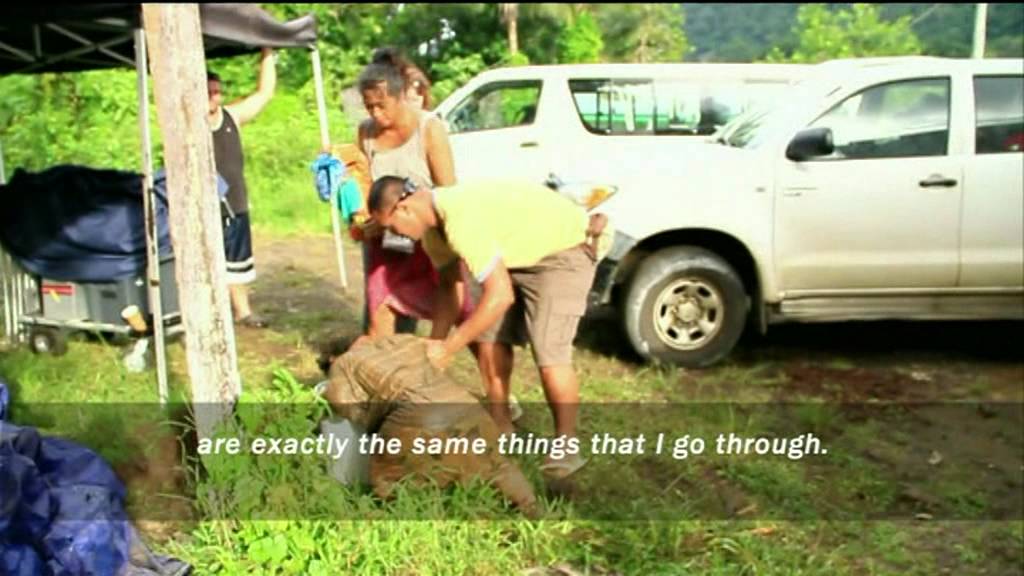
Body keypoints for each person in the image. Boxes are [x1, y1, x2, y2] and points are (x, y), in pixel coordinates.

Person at [367, 177, 610, 481]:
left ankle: (566, 445)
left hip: (564, 250)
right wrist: (434, 344)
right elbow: (448, 287)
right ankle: (501, 426)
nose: (394, 235)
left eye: (390, 226)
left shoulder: (458, 217)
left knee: (549, 351)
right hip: (516, 253)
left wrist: (449, 348)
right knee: (488, 339)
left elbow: (500, 295)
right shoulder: (433, 233)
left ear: (403, 208)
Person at [320, 333, 537, 513]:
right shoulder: (401, 340)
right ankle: (532, 508)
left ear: (332, 358)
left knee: (389, 481)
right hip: (466, 405)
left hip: (417, 416)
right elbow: (437, 355)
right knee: (497, 466)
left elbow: (346, 407)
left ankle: (404, 529)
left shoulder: (343, 364)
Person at [354, 48, 455, 338]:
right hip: (380, 237)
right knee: (377, 306)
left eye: (382, 105)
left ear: (400, 96)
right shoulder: (366, 132)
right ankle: (374, 369)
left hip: (421, 237)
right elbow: (363, 181)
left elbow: (447, 192)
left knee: (411, 305)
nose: (376, 113)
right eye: (369, 106)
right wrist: (363, 217)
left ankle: (406, 363)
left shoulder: (429, 129)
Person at [207, 47, 276, 328]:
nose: (215, 96)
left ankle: (243, 312)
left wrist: (267, 53)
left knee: (238, 262)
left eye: (217, 91)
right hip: (206, 206)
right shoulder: (187, 123)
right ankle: (215, 315)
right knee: (211, 265)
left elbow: (264, 94)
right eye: (209, 92)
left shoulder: (230, 116)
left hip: (235, 202)